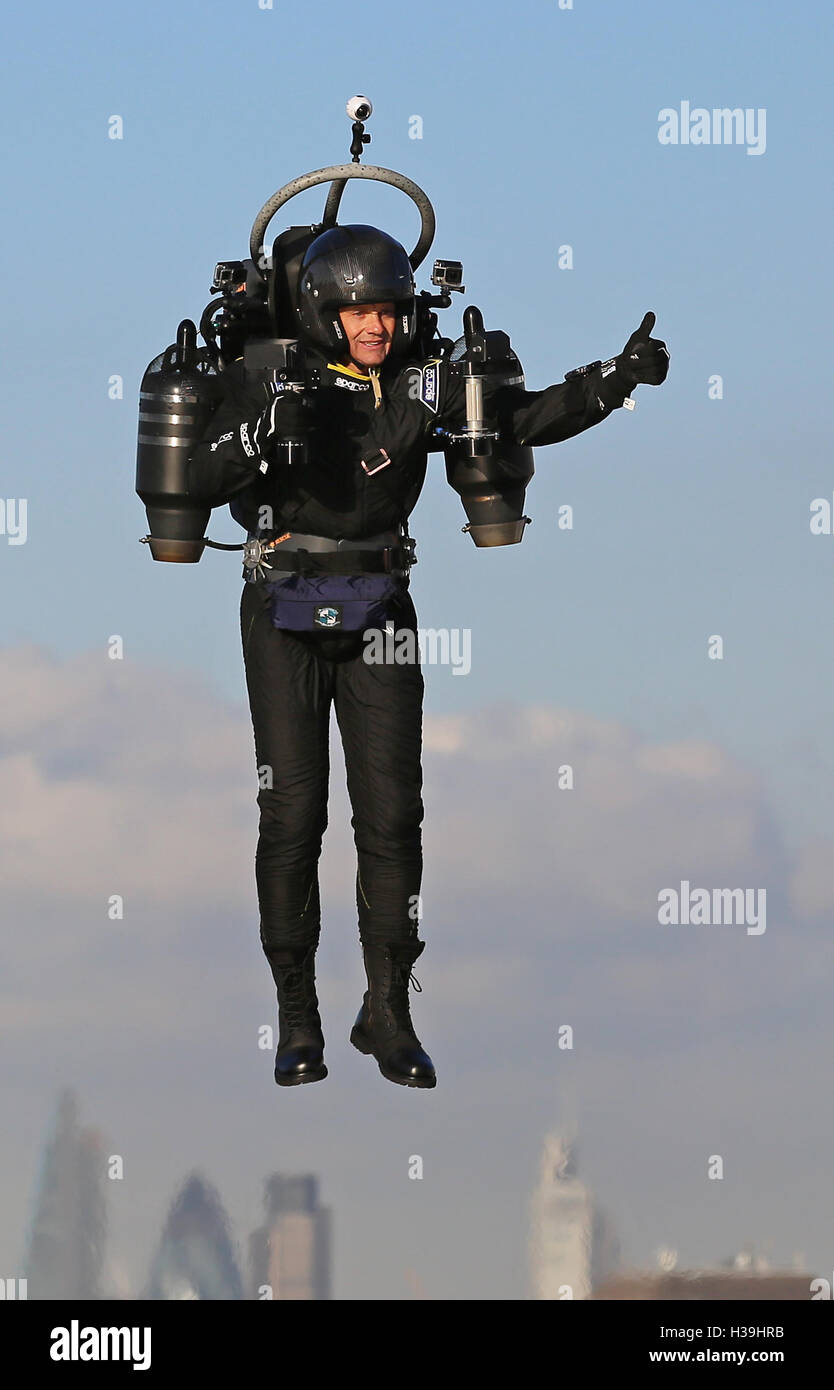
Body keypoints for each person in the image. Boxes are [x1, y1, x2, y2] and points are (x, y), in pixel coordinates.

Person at [186, 224, 670, 1090]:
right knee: (293, 817)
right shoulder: (266, 375)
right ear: (322, 312)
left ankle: (388, 1010)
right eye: (356, 312)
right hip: (281, 606)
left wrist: (613, 380)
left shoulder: (426, 378)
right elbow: (205, 472)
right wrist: (261, 431)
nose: (374, 327)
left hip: (383, 607)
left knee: (394, 816)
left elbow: (522, 419)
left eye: (387, 311)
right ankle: (298, 1017)